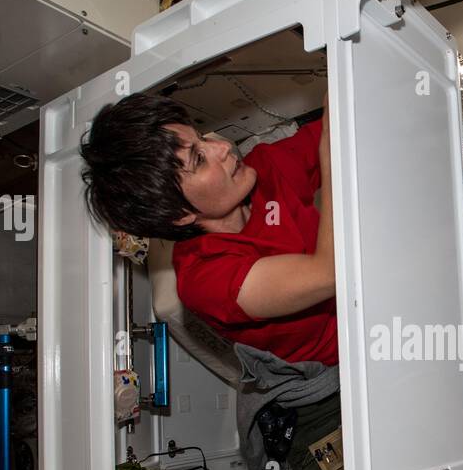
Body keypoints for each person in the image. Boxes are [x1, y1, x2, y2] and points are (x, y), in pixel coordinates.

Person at [79, 91, 337, 366]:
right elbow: (329, 273)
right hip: (339, 372)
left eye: (201, 137)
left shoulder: (264, 170)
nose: (222, 147)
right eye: (199, 158)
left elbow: (340, 125)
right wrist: (332, 144)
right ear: (180, 214)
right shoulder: (205, 280)